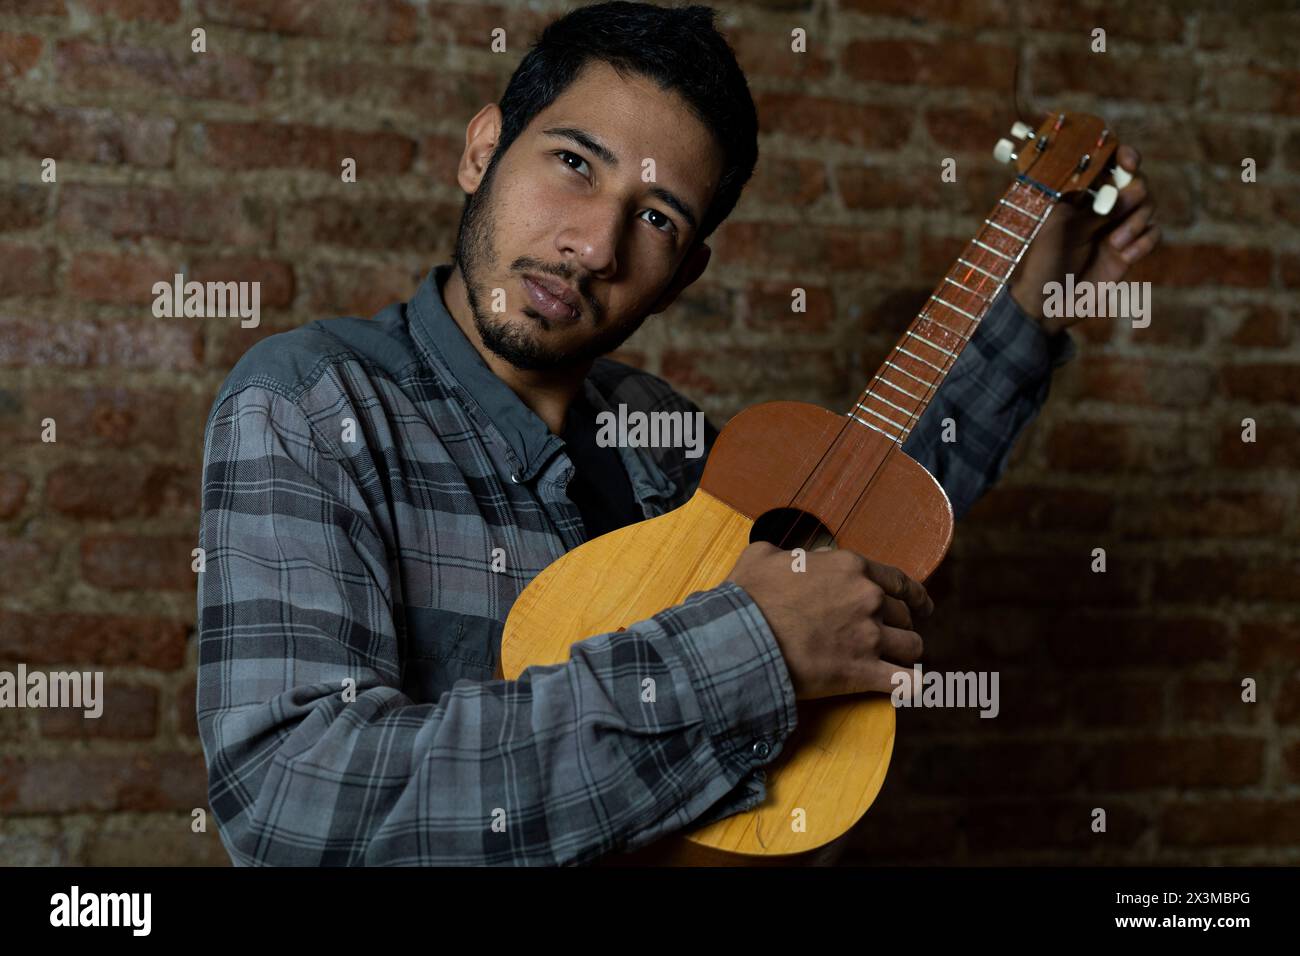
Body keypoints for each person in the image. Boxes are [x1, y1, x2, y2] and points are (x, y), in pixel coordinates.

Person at [196, 1, 1159, 865]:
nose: (594, 246)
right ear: (483, 149)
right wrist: (752, 653)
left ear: (685, 273)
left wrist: (1034, 305)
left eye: (654, 217)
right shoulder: (314, 403)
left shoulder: (661, 438)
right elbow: (295, 809)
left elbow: (878, 517)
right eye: (574, 164)